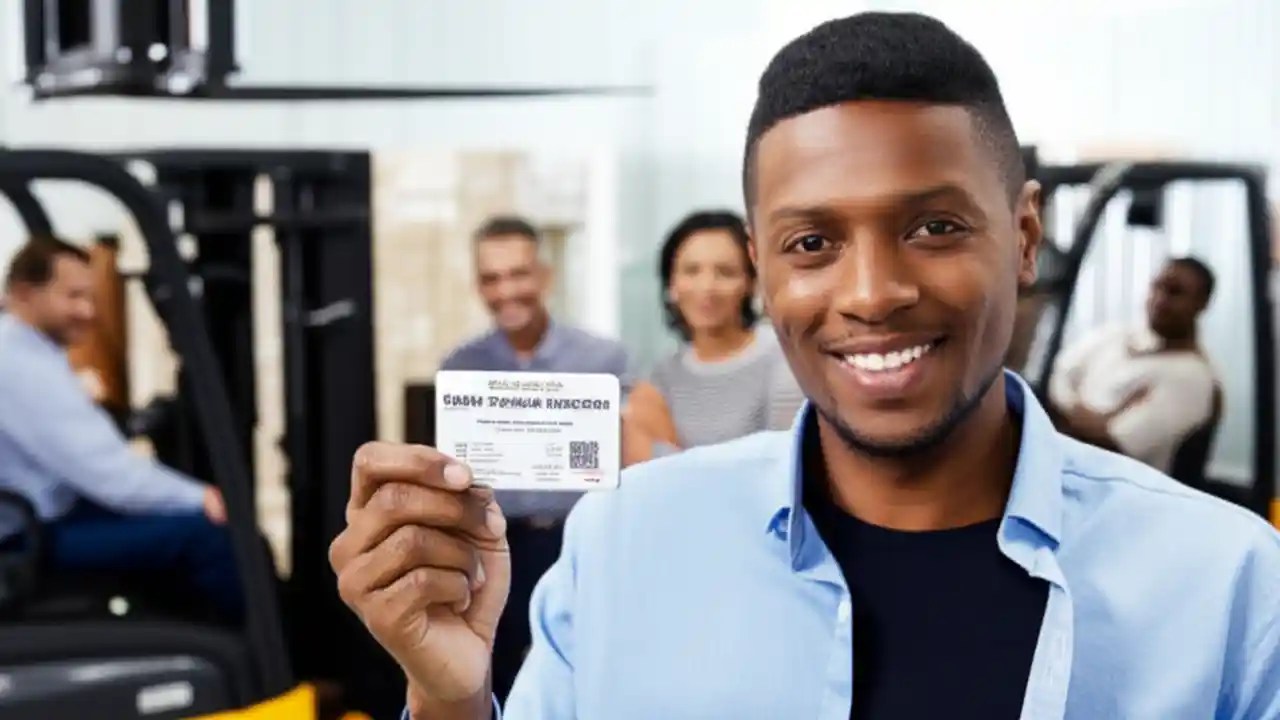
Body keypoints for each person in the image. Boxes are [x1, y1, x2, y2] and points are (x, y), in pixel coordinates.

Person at [330, 13, 1280, 720]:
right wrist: (450, 699)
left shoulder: (1228, 585)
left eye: (934, 227)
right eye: (812, 241)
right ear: (761, 264)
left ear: (1024, 237)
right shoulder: (625, 548)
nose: (872, 292)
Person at [438, 215, 632, 702]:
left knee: (590, 671)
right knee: (490, 673)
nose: (507, 291)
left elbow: (632, 456)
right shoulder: (460, 368)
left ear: (545, 276)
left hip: (579, 537)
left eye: (519, 274)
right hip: (494, 544)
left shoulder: (603, 361)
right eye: (491, 278)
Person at [0, 237, 243, 622]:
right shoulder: (16, 362)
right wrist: (202, 498)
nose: (88, 311)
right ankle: (265, 669)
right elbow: (109, 475)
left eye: (91, 297)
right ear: (26, 293)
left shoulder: (30, 353)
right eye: (74, 296)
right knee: (212, 539)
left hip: (39, 518)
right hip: (23, 539)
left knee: (166, 528)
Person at [623, 211, 803, 465]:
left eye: (726, 272)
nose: (707, 287)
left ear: (751, 283)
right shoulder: (662, 376)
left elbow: (782, 468)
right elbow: (646, 476)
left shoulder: (785, 359)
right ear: (671, 285)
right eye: (691, 271)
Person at [1049, 257, 1220, 475]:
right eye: (1156, 286)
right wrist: (1091, 414)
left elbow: (1111, 442)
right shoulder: (1116, 335)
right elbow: (1056, 374)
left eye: (1175, 292)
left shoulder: (1191, 377)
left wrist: (1067, 408)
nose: (1160, 299)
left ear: (1201, 303)